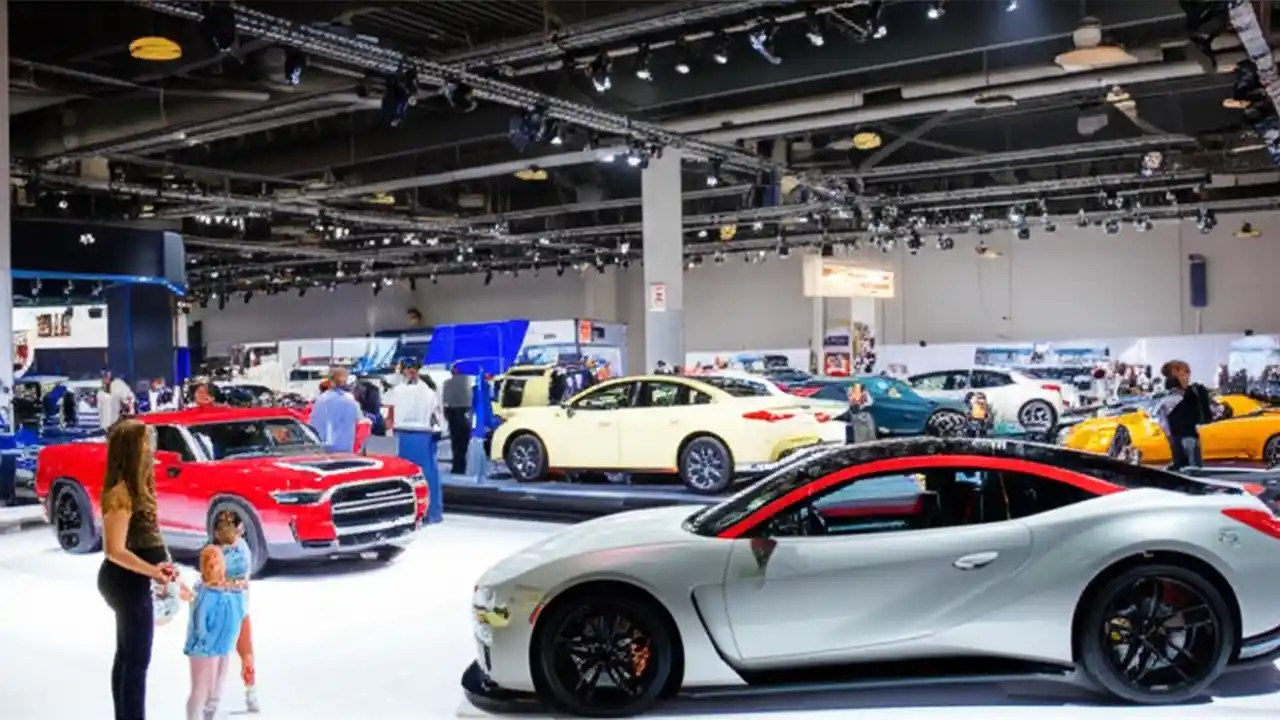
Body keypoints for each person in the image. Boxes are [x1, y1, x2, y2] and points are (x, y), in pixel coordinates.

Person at [97, 419, 179, 720]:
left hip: (134, 578)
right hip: (125, 580)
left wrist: (163, 567)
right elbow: (115, 550)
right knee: (136, 661)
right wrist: (153, 571)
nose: (151, 449)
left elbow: (147, 536)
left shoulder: (139, 485)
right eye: (146, 443)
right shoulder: (120, 492)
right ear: (134, 450)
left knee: (129, 658)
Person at [183, 512, 248, 720]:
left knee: (216, 686)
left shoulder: (240, 552)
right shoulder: (205, 591)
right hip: (206, 644)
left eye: (230, 525)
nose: (225, 530)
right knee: (203, 687)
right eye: (221, 526)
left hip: (224, 638)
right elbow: (200, 617)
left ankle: (210, 713)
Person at [385, 358, 445, 524]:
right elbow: (437, 417)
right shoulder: (429, 391)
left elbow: (389, 417)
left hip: (404, 436)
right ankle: (431, 512)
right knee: (426, 475)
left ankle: (408, 513)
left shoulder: (396, 391)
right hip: (422, 435)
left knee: (404, 476)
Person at [1155, 360, 1213, 470]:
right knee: (1191, 469)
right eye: (1183, 374)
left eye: (1187, 373)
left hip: (1185, 436)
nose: (1187, 377)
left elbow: (1163, 422)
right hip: (1184, 437)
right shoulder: (1175, 398)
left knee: (1188, 467)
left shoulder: (1188, 394)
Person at [308, 367, 361, 453]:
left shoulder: (322, 399)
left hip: (324, 448)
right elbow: (359, 421)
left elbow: (313, 426)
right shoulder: (350, 400)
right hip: (345, 448)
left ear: (330, 380)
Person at [441, 365, 472, 474]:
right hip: (464, 413)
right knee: (463, 443)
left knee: (455, 442)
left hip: (453, 413)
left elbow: (445, 401)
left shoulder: (448, 383)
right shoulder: (468, 381)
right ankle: (461, 465)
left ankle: (457, 466)